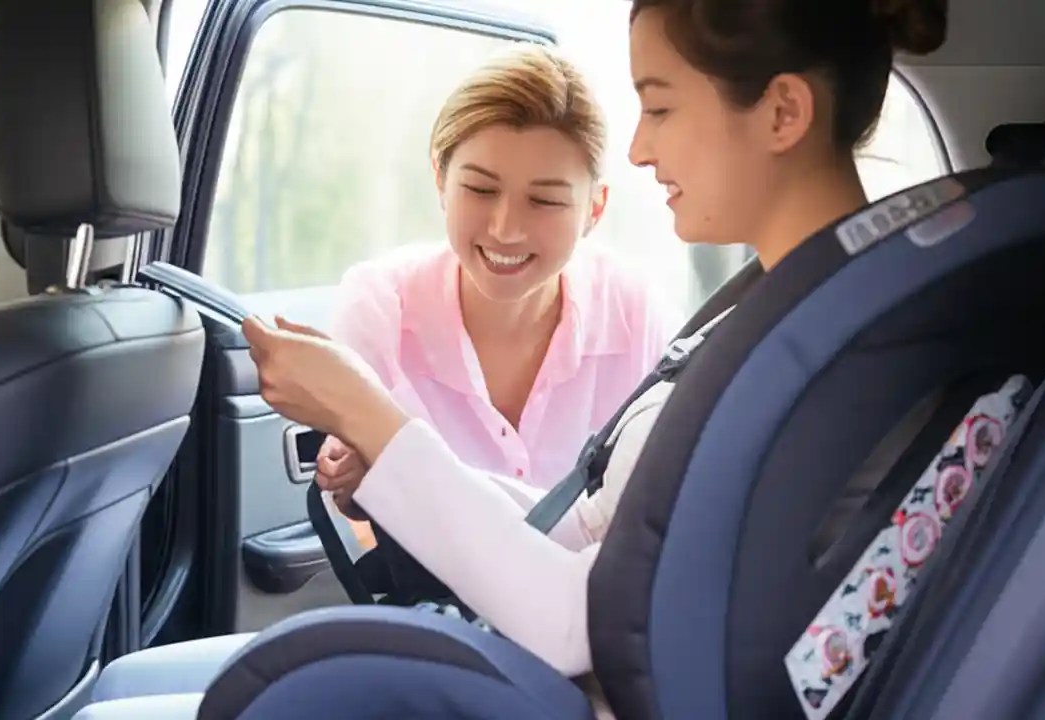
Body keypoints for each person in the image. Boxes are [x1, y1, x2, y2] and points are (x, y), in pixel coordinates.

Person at [77, 1, 949, 717]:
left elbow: (582, 621)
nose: (642, 147)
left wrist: (370, 413)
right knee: (117, 688)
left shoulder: (819, 349)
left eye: (662, 104)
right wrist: (387, 448)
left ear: (785, 113)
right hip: (567, 666)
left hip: (576, 686)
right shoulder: (781, 310)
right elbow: (606, 536)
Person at [308, 45, 680, 546]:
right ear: (441, 182)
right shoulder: (380, 305)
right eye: (480, 191)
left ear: (595, 209)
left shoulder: (638, 315)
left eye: (544, 201)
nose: (505, 229)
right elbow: (360, 521)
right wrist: (353, 481)